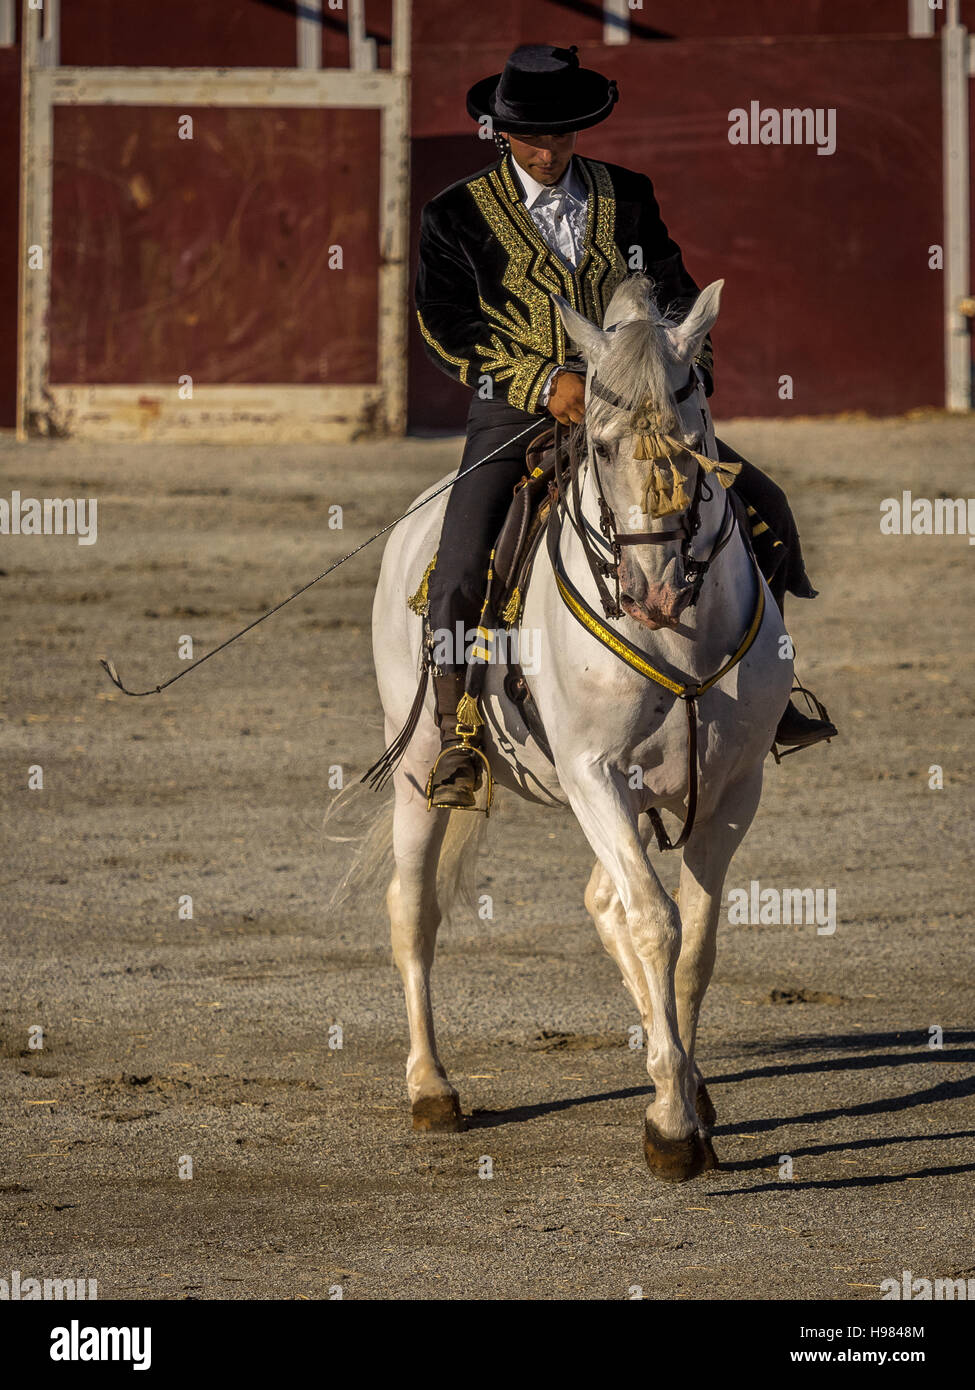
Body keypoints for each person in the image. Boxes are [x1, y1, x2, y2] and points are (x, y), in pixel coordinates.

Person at [415, 43, 836, 810]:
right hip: (517, 411)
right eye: (531, 138)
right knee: (462, 556)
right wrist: (542, 381)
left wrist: (677, 382)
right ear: (500, 133)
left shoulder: (628, 194)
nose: (548, 152)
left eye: (563, 136)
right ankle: (458, 731)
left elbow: (676, 296)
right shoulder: (452, 215)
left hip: (641, 409)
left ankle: (773, 697)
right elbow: (444, 327)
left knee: (764, 508)